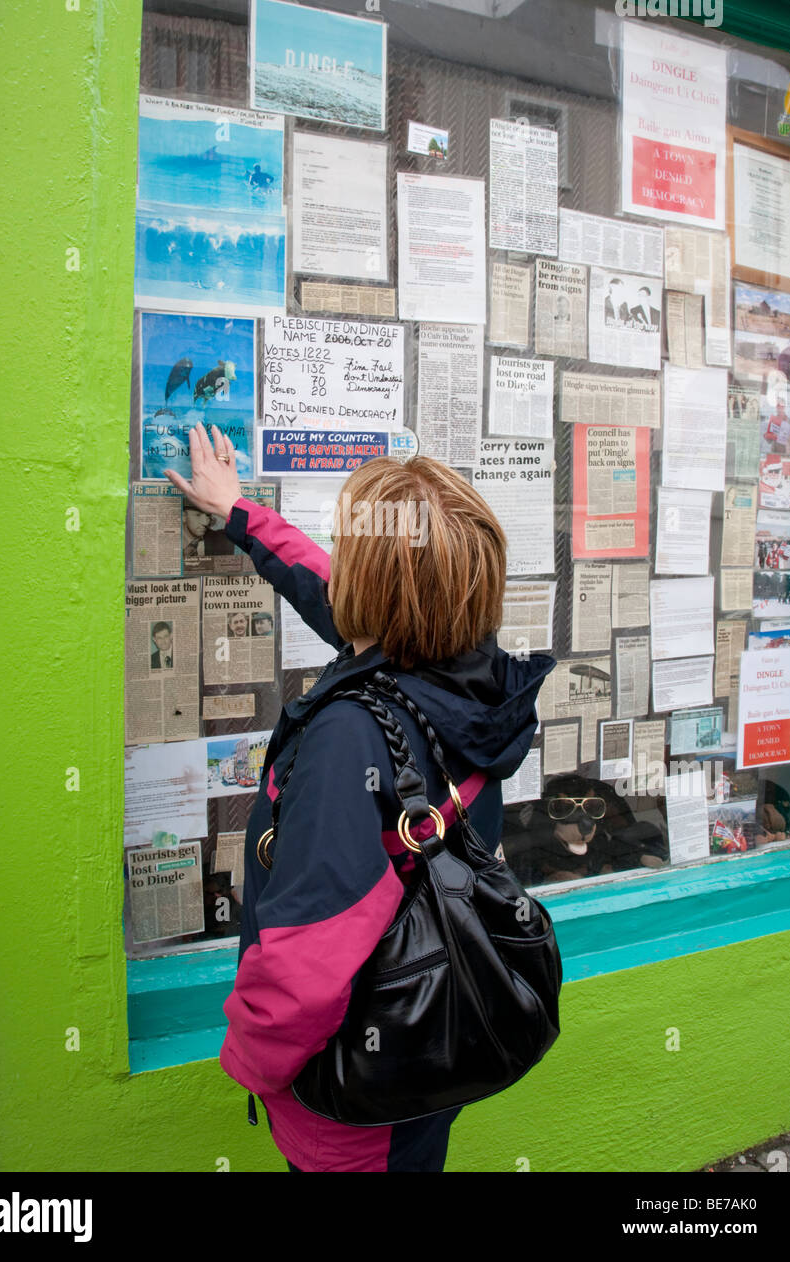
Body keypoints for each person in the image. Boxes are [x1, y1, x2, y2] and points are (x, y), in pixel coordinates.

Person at [163, 423, 555, 1173]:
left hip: (354, 1107)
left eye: (348, 550)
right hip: (430, 1045)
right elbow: (337, 596)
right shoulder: (475, 676)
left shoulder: (350, 740)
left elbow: (306, 966)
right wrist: (242, 515)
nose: (335, 563)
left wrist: (256, 1067)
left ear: (370, 591)